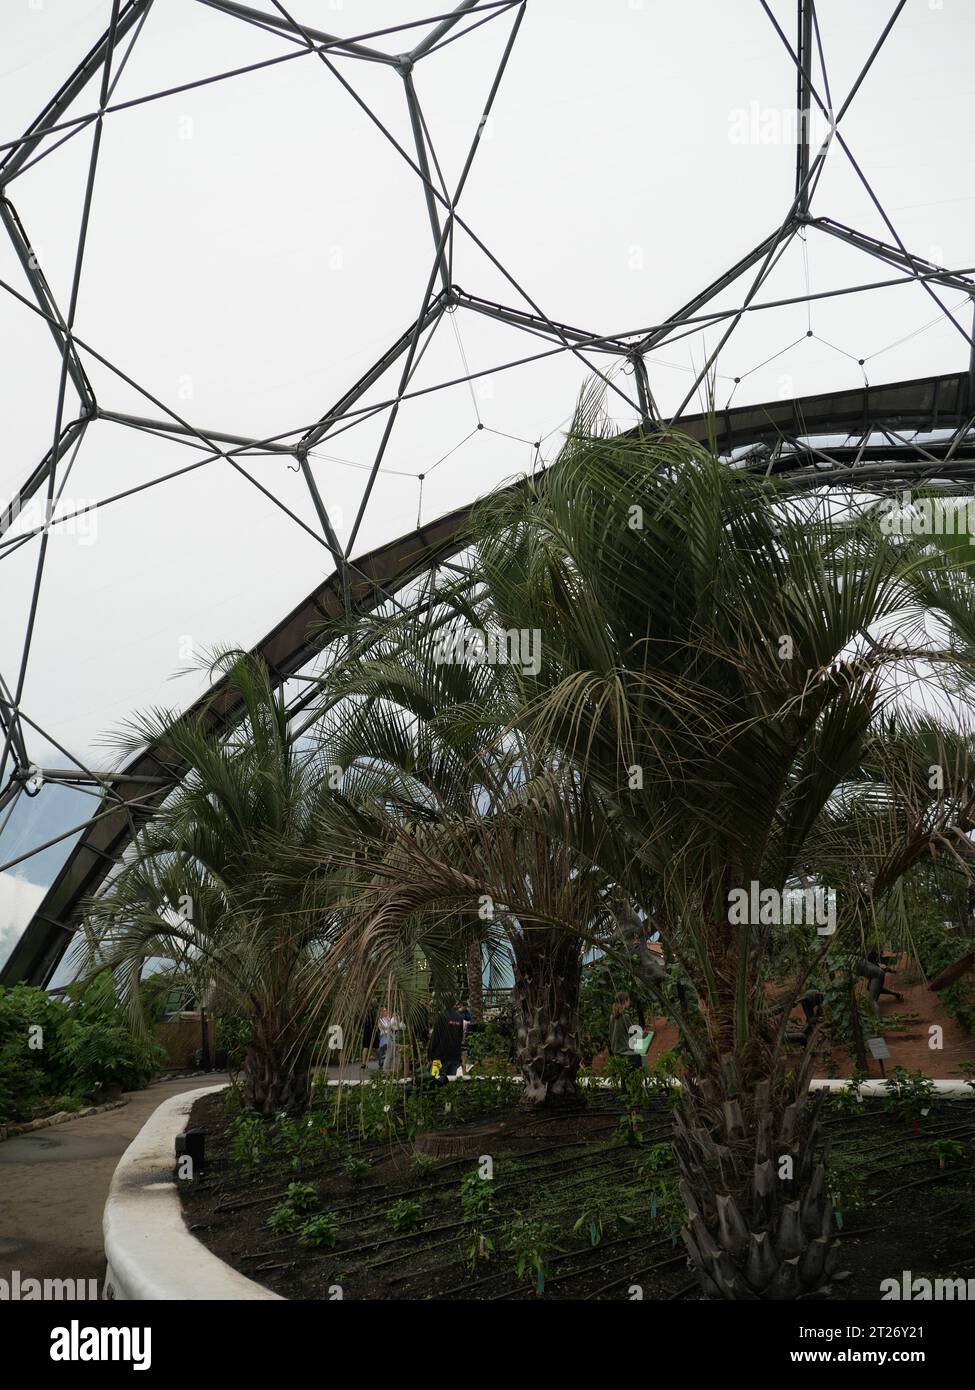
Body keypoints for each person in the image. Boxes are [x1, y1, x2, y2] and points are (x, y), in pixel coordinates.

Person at [428, 1002, 469, 1077]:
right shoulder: (459, 1018)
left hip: (439, 1056)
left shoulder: (441, 1017)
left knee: (434, 1079)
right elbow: (460, 1038)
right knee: (450, 1081)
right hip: (454, 1056)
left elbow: (435, 1037)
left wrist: (430, 1053)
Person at [609, 992, 643, 1069]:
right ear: (625, 1001)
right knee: (630, 1072)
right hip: (625, 1049)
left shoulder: (612, 1016)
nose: (629, 1002)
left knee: (622, 1072)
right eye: (628, 1000)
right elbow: (634, 1031)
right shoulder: (625, 1016)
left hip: (615, 1050)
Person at [360, 1003, 378, 1071]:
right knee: (376, 1046)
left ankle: (363, 1063)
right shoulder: (374, 1010)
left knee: (366, 1046)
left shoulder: (364, 1011)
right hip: (372, 1030)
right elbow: (375, 1020)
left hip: (366, 1030)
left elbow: (362, 1022)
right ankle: (381, 1061)